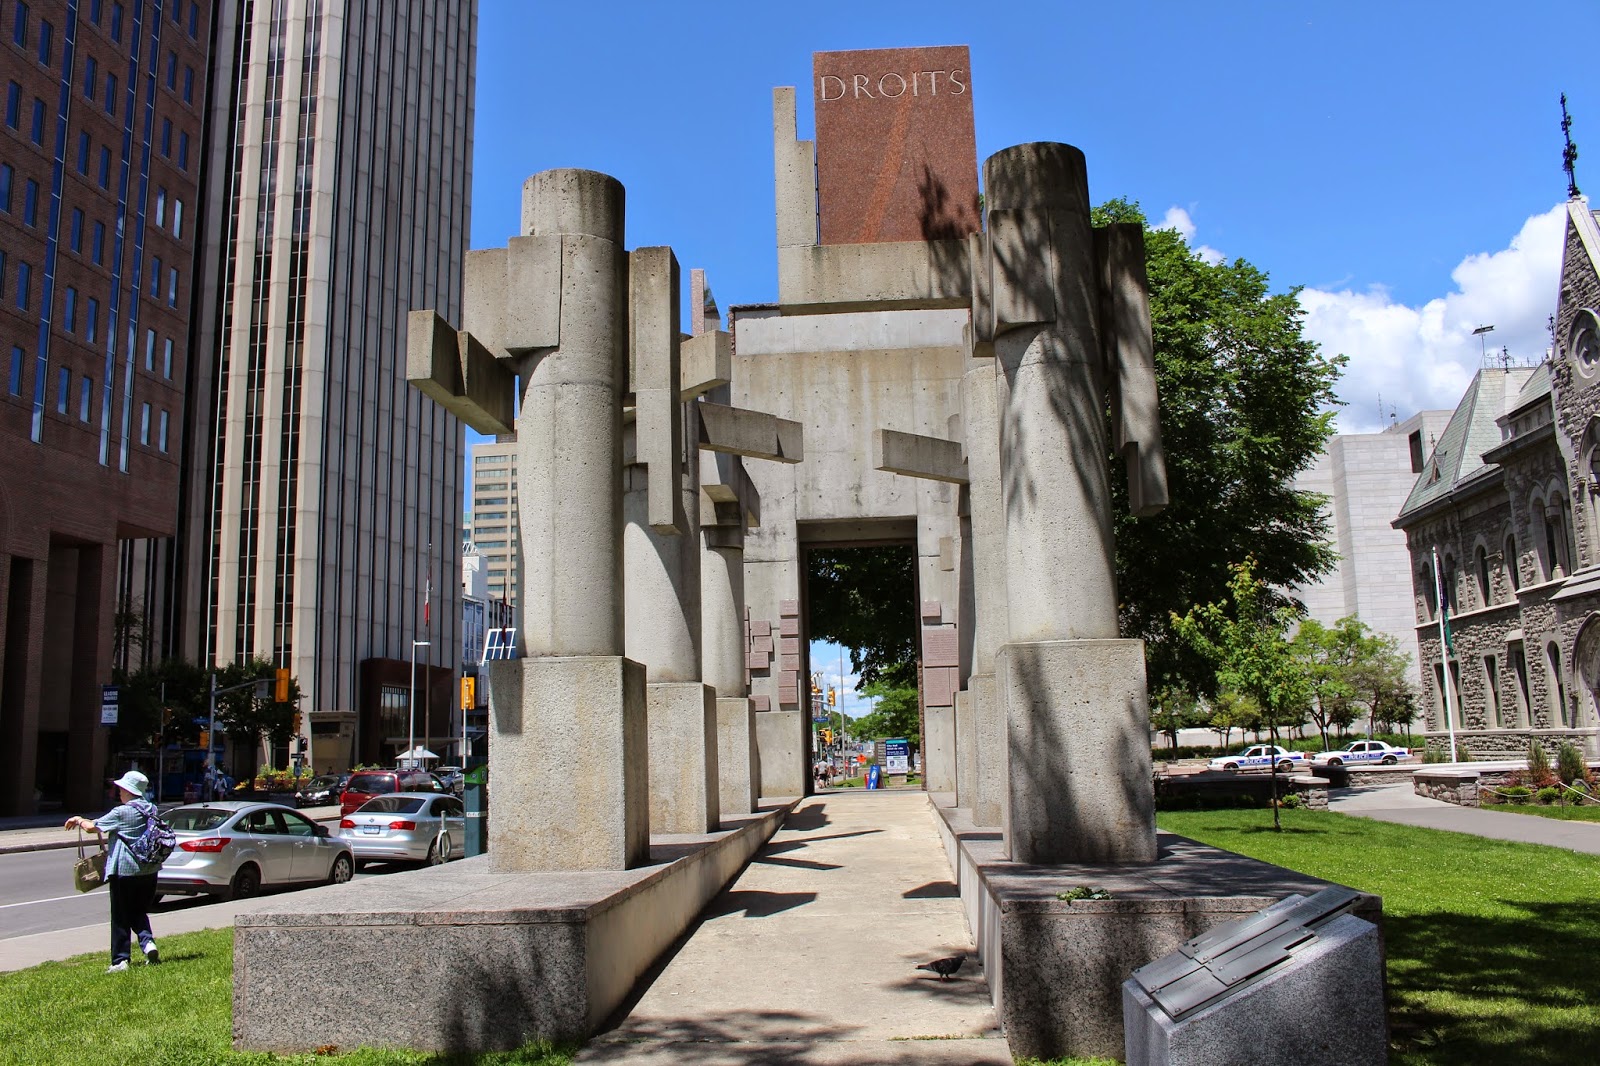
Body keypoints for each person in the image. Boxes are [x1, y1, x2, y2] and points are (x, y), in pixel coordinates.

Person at [65, 769, 162, 972]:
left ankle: (120, 960)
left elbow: (93, 827)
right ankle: (147, 943)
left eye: (121, 788)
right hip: (149, 870)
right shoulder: (152, 809)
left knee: (120, 916)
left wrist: (79, 820)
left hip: (124, 871)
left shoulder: (122, 812)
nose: (119, 791)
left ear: (129, 790)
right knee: (137, 910)